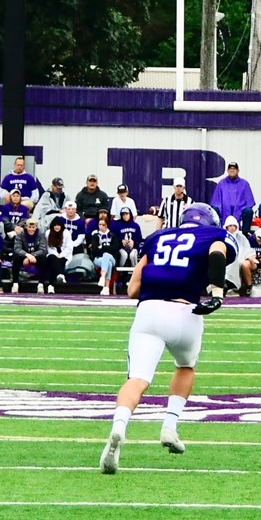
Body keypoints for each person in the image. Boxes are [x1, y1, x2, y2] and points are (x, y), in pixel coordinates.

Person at [99, 202, 233, 473]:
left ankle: (118, 428)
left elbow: (133, 289)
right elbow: (218, 255)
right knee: (185, 366)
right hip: (186, 312)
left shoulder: (156, 237)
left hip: (149, 311)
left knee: (137, 378)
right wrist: (217, 293)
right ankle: (170, 425)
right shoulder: (213, 235)